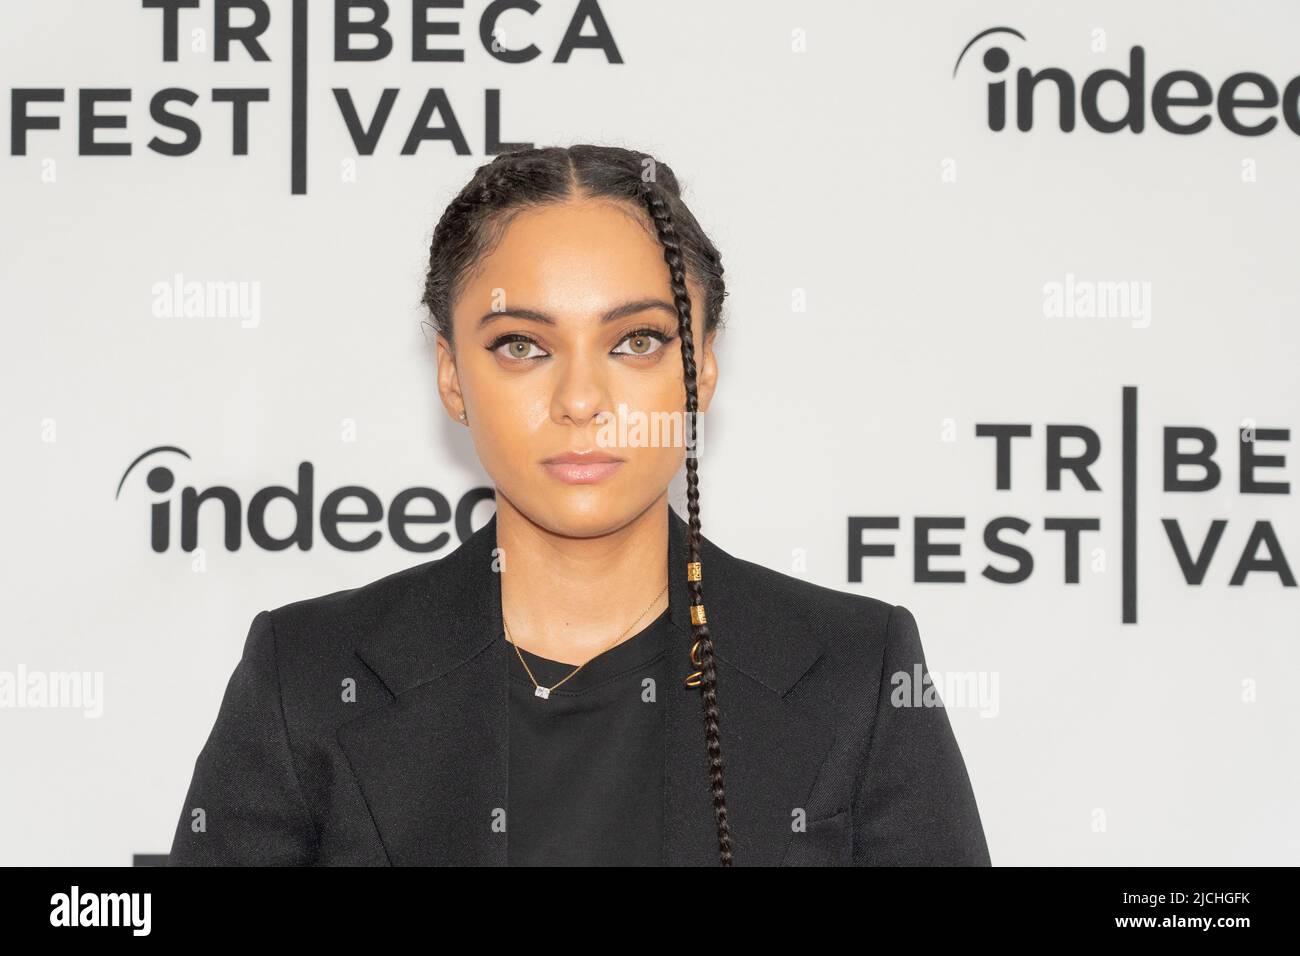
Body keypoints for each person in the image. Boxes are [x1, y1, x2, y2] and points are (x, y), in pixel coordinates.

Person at [168, 145, 991, 866]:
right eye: (521, 345)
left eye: (637, 341)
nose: (582, 399)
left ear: (701, 367)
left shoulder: (857, 669)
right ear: (452, 374)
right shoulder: (307, 673)